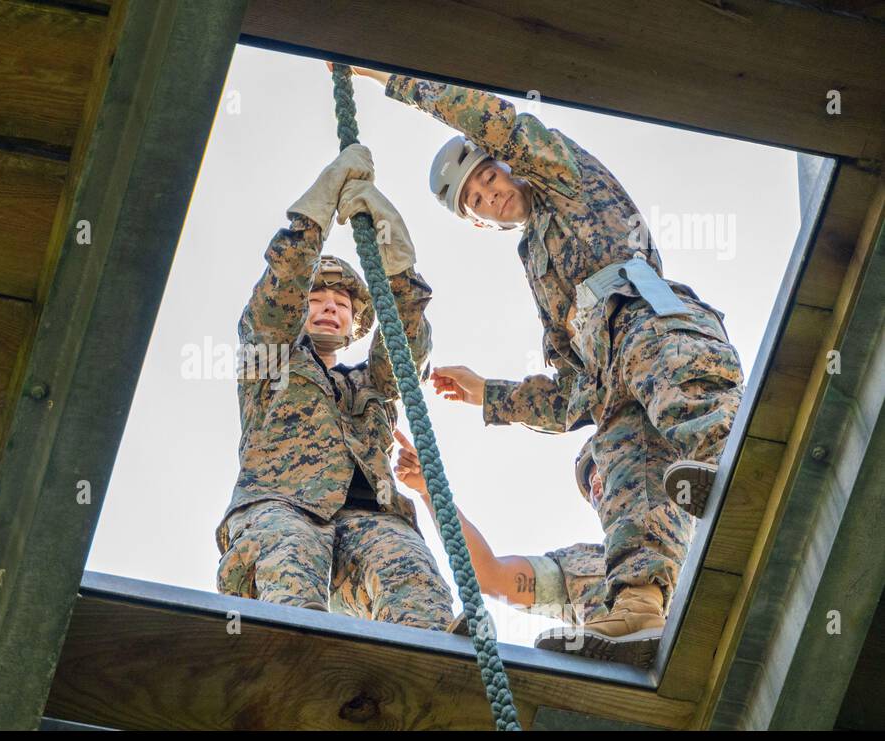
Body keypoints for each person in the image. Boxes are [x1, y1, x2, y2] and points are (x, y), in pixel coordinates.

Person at [343, 64, 744, 647]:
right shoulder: (536, 264)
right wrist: (491, 393)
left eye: (488, 176)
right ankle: (639, 604)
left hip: (650, 323)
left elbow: (490, 119)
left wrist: (390, 76)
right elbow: (571, 394)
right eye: (477, 200)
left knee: (688, 398)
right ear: (479, 221)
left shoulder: (560, 176)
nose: (492, 194)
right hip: (609, 382)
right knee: (623, 465)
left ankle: (734, 470)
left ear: (507, 163)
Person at [215, 144, 460, 632]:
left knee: (411, 571)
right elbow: (281, 286)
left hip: (369, 518)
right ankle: (294, 651)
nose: (329, 307)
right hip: (282, 506)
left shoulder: (372, 385)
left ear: (354, 325)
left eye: (342, 304)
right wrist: (321, 206)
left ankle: (434, 659)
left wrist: (395, 257)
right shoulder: (270, 361)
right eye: (317, 298)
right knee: (291, 565)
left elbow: (405, 339)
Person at [395, 432, 661, 667]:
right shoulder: (585, 562)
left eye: (604, 470)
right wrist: (432, 493)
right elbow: (489, 575)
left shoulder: (695, 509)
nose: (596, 487)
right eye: (591, 485)